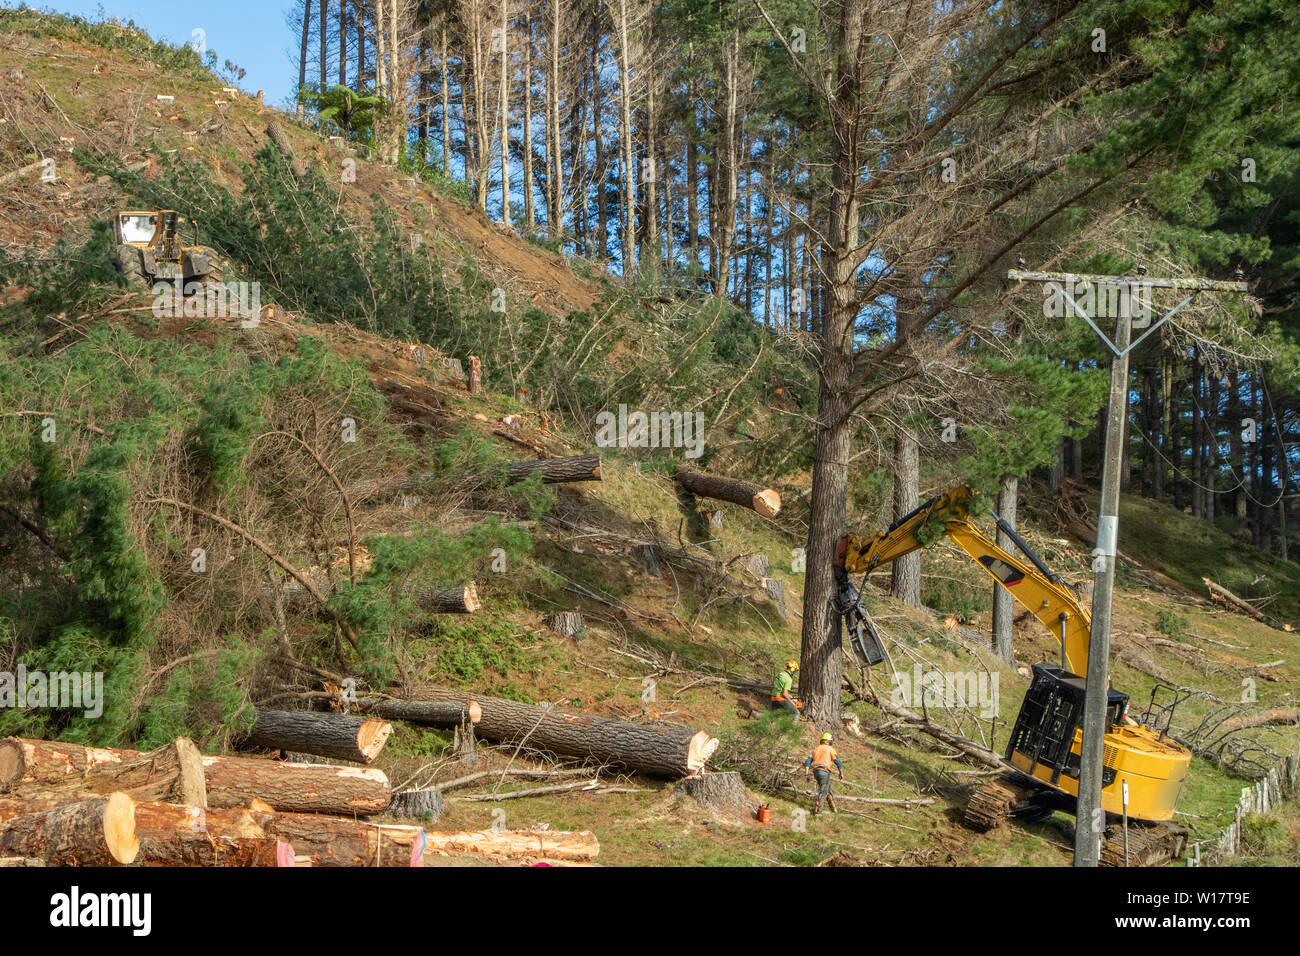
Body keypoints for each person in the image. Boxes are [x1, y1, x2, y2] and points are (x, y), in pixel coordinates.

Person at [804, 732, 844, 814]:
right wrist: (841, 773)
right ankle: (818, 811)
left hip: (816, 772)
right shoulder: (830, 749)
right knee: (823, 791)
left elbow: (807, 762)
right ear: (829, 742)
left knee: (826, 789)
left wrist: (807, 774)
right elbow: (838, 762)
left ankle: (834, 809)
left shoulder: (815, 749)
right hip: (824, 772)